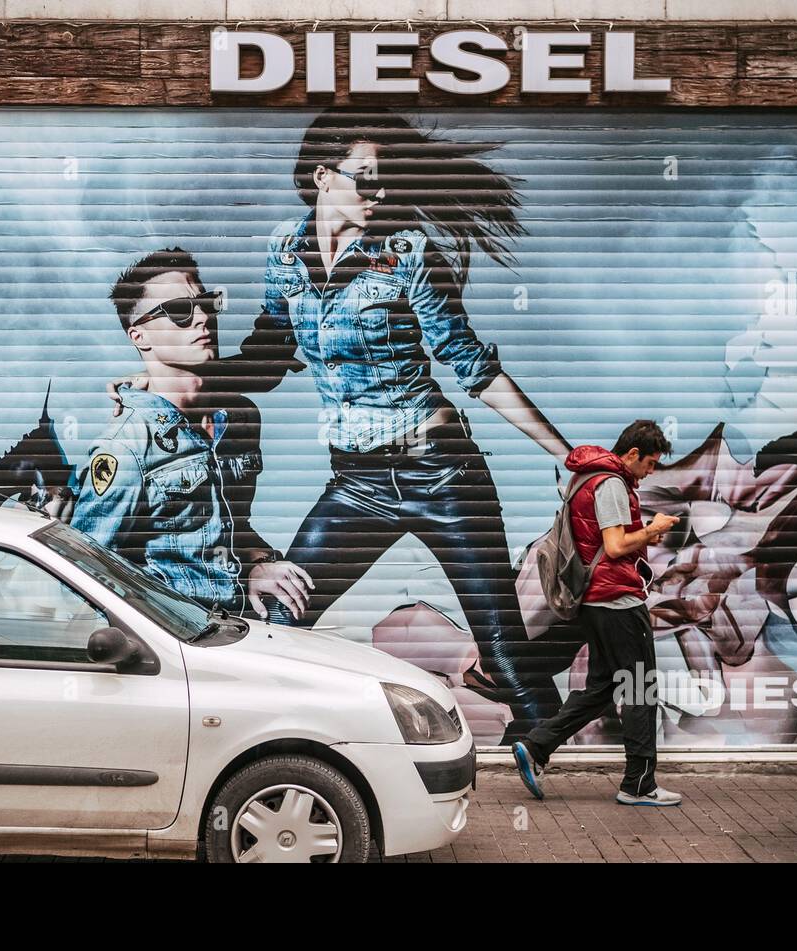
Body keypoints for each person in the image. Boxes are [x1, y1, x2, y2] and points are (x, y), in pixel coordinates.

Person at [216, 108, 574, 738]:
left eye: (385, 181)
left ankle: (557, 763)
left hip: (443, 474)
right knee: (281, 622)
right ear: (323, 177)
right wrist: (180, 380)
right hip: (356, 485)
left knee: (508, 657)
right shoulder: (283, 252)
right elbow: (269, 356)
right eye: (365, 179)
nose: (379, 193)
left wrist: (566, 454)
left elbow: (470, 363)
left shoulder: (408, 252)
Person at [72, 248, 313, 619]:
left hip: (236, 628)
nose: (201, 317)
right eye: (179, 312)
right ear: (140, 336)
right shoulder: (127, 447)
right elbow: (84, 577)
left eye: (205, 303)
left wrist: (259, 563)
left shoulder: (239, 419)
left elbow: (227, 526)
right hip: (177, 641)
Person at [512, 420, 684, 806]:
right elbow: (616, 544)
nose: (651, 472)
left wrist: (644, 534)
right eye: (651, 463)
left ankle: (536, 746)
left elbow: (602, 542)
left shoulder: (588, 478)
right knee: (641, 689)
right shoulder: (610, 483)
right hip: (618, 602)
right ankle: (638, 784)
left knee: (602, 689)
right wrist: (652, 528)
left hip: (597, 602)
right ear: (633, 454)